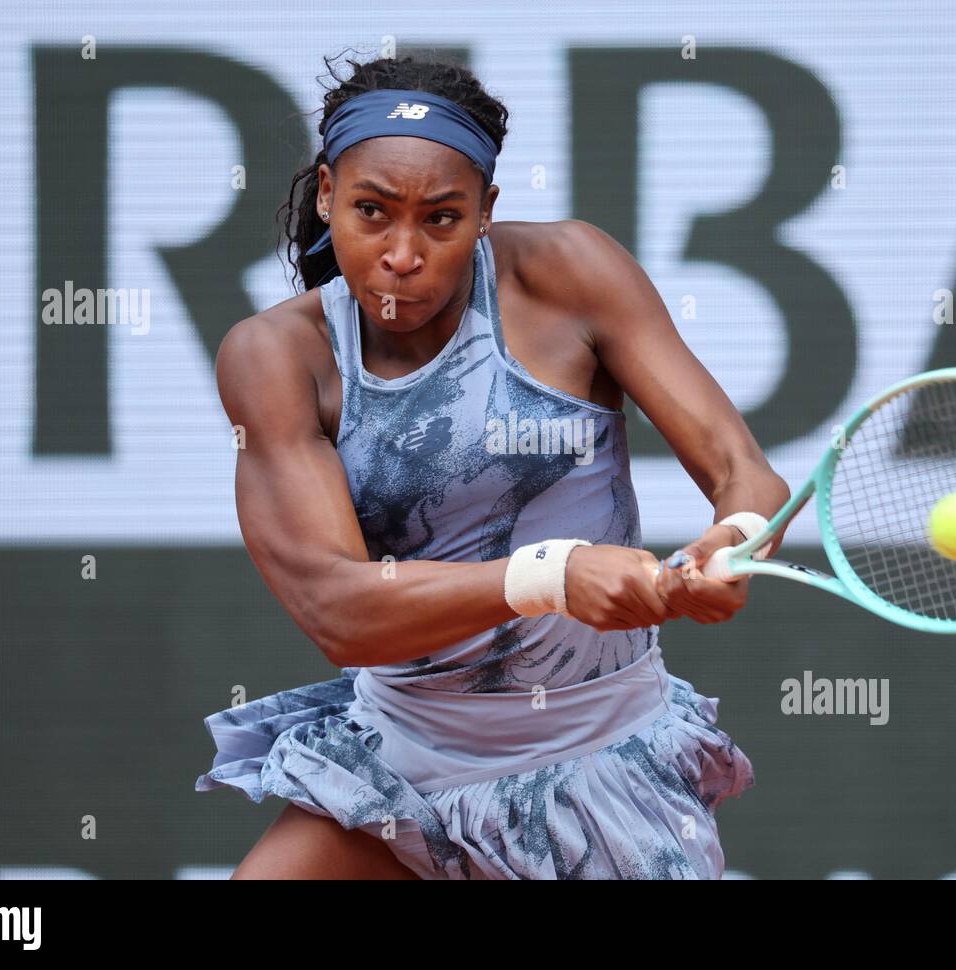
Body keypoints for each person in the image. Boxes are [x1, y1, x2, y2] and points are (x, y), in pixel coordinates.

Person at [195, 51, 791, 879]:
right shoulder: (275, 356)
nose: (403, 254)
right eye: (371, 211)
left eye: (441, 218)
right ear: (327, 194)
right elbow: (338, 612)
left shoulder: (569, 271)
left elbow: (743, 469)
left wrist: (736, 538)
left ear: (485, 211)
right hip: (399, 767)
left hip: (604, 762)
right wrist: (554, 575)